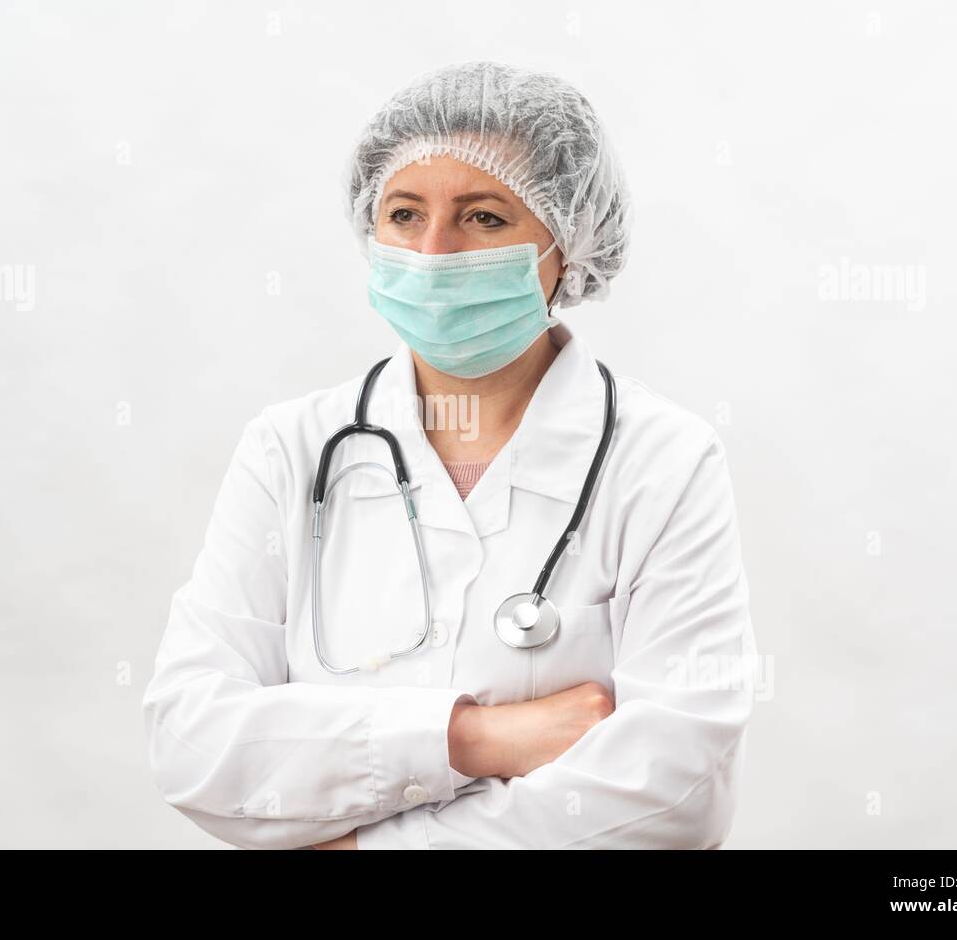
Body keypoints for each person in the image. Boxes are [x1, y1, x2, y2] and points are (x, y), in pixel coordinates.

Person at [141, 60, 757, 850]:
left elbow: (676, 790)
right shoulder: (290, 449)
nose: (433, 253)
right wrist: (473, 738)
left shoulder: (663, 462)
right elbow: (193, 744)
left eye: (485, 218)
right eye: (403, 213)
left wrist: (356, 843)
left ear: (568, 243)